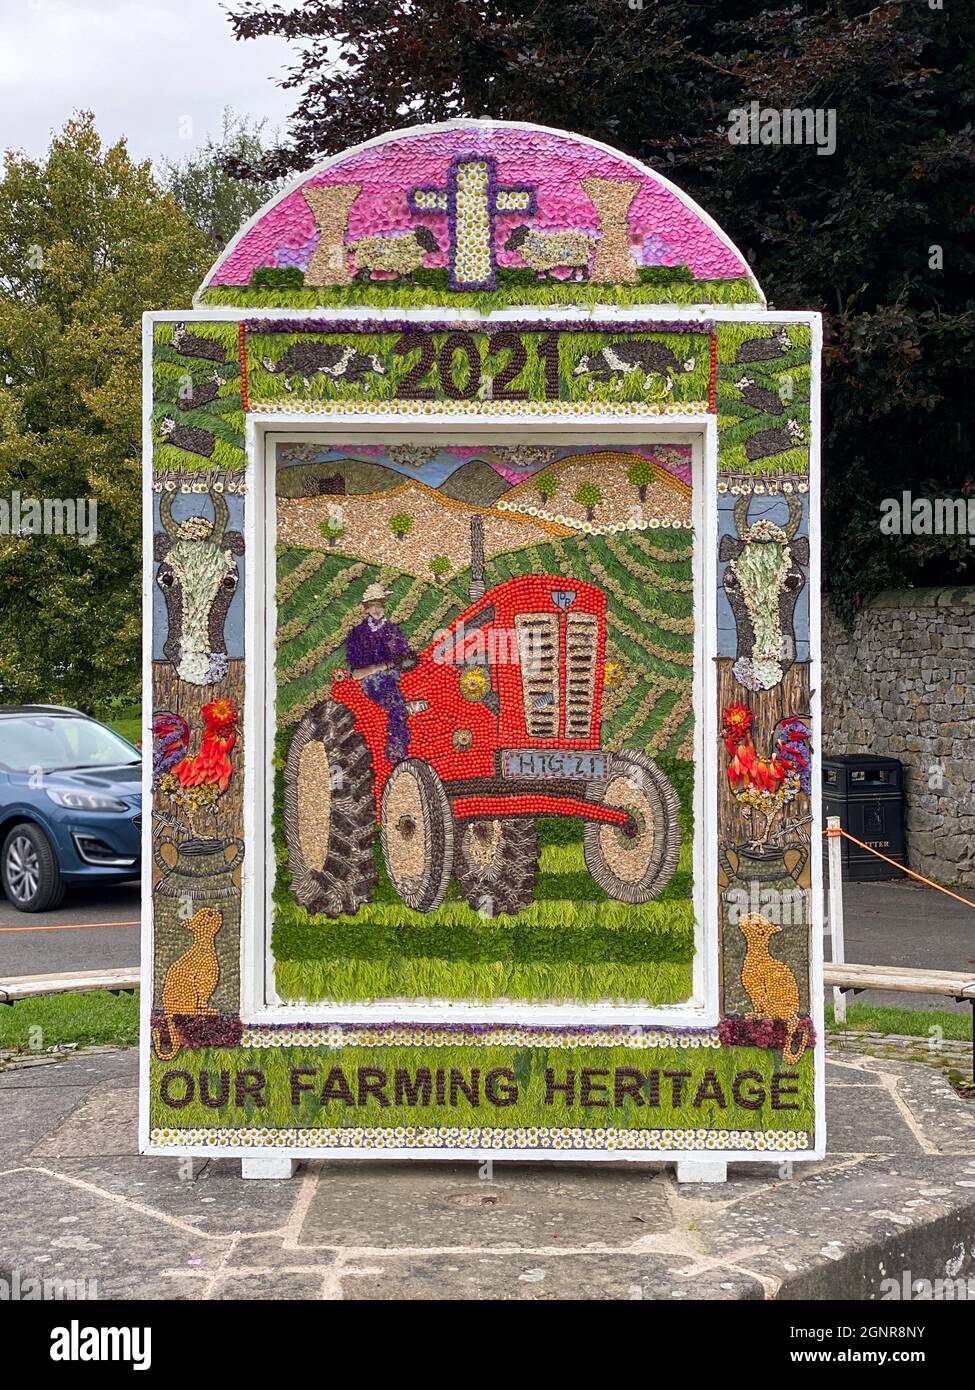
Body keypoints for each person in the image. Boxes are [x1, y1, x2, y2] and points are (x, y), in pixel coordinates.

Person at [345, 583, 417, 763]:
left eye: (379, 604)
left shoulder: (393, 630)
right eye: (372, 605)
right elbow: (355, 672)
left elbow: (405, 658)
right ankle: (396, 752)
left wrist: (399, 663)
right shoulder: (357, 634)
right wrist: (381, 667)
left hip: (394, 677)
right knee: (396, 707)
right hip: (373, 682)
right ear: (366, 608)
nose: (376, 609)